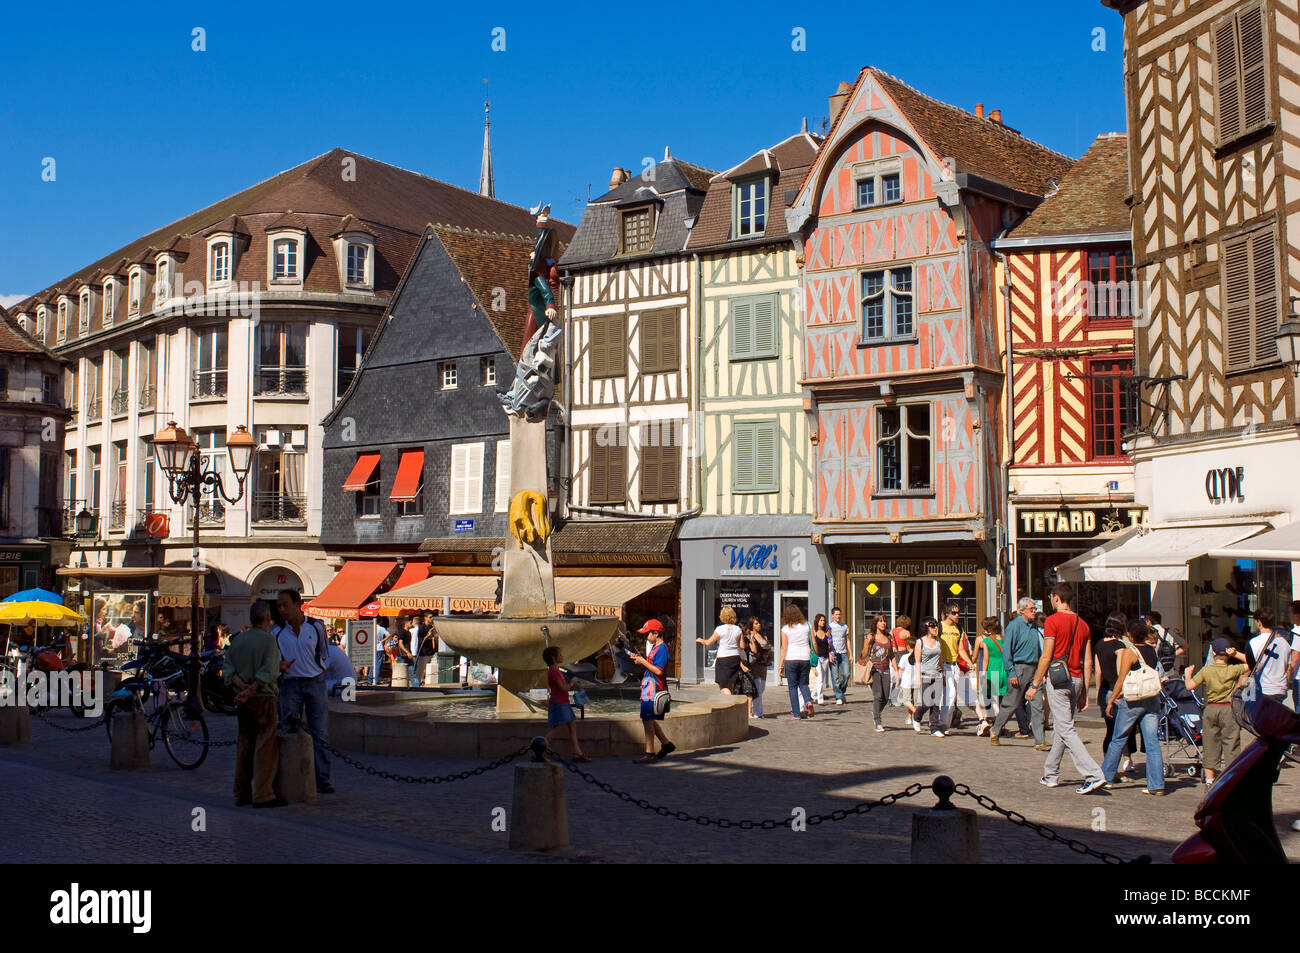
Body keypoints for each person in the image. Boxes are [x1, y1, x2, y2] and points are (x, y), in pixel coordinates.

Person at [1025, 583, 1106, 795]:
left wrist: (1035, 684)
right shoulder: (1083, 623)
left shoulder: (1052, 621)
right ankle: (1050, 774)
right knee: (1063, 726)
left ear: (1057, 598)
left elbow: (1046, 655)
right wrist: (1085, 690)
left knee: (1066, 729)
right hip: (1077, 678)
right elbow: (1087, 661)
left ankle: (1093, 774)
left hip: (1058, 679)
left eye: (1051, 597)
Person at [223, 601, 283, 808]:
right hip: (263, 699)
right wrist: (253, 689)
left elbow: (228, 669)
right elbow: (270, 671)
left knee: (244, 746)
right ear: (267, 618)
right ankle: (263, 794)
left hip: (243, 701)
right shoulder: (269, 641)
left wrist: (243, 688)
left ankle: (241, 792)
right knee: (265, 747)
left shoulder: (238, 640)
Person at [274, 589, 335, 795]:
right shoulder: (277, 632)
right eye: (279, 606)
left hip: (315, 682)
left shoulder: (315, 626)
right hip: (290, 685)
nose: (282, 609)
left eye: (285, 604)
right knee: (288, 730)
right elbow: (274, 659)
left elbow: (325, 652)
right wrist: (279, 667)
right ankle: (291, 776)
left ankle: (322, 779)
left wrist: (322, 668)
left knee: (320, 732)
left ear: (298, 604)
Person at [1100, 620, 1168, 795]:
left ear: (1130, 636)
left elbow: (1121, 678)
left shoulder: (1131, 652)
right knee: (1152, 742)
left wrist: (1111, 700)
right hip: (1151, 698)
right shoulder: (1152, 651)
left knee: (1118, 737)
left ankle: (1106, 777)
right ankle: (1157, 784)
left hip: (1133, 699)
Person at [1185, 638, 1250, 787]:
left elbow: (1189, 686)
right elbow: (1253, 662)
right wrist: (1236, 654)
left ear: (1213, 652)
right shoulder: (1233, 669)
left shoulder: (1206, 670)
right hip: (1228, 708)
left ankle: (1209, 781)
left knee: (1210, 743)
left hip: (1211, 709)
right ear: (1228, 654)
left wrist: (1188, 674)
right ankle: (1231, 779)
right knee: (1231, 743)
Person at [1093, 612, 1136, 776]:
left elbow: (1097, 671)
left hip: (1104, 689)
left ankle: (1107, 764)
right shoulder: (1120, 646)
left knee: (1109, 729)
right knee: (1120, 732)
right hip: (1116, 691)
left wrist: (1098, 691)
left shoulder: (1099, 644)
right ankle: (1116, 766)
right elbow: (1121, 672)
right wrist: (1122, 691)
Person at [629, 619, 674, 763]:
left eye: (647, 634)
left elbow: (659, 671)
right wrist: (640, 660)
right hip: (649, 686)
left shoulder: (661, 649)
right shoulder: (656, 647)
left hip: (654, 687)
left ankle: (649, 752)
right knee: (647, 718)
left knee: (647, 719)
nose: (645, 637)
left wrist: (642, 661)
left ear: (656, 633)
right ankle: (666, 744)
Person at [542, 646, 590, 762]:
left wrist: (573, 684)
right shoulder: (554, 672)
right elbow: (563, 688)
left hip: (563, 702)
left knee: (572, 726)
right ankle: (541, 751)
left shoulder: (556, 671)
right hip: (559, 704)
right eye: (560, 654)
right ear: (554, 658)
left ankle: (577, 753)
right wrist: (572, 682)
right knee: (556, 729)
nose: (562, 656)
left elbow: (562, 687)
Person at [1245, 607, 1297, 703]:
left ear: (1259, 622)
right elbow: (1288, 667)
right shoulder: (1284, 642)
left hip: (1263, 689)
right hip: (1280, 690)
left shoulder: (1253, 642)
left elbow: (1251, 667)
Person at [938, 603, 973, 730]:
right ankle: (941, 723)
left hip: (955, 665)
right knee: (949, 694)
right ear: (947, 613)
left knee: (951, 697)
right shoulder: (939, 627)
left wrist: (969, 662)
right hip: (943, 664)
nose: (957, 615)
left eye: (958, 612)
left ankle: (944, 724)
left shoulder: (958, 628)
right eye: (954, 613)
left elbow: (961, 649)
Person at [697, 606, 743, 695]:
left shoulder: (720, 629)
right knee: (730, 684)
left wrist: (700, 640)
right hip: (735, 658)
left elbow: (708, 642)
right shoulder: (738, 629)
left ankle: (728, 701)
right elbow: (742, 646)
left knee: (723, 686)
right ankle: (731, 705)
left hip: (723, 658)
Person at [973, 616, 1006, 736]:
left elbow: (985, 659)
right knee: (997, 698)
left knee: (986, 700)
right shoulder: (1003, 639)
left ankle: (989, 722)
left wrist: (982, 673)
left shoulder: (987, 641)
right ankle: (995, 723)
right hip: (1003, 670)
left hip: (992, 671)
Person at [779, 605, 813, 720]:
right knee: (803, 683)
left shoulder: (785, 629)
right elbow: (810, 641)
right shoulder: (807, 626)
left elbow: (784, 647)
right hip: (805, 657)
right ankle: (808, 701)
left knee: (792, 687)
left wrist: (781, 665)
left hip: (791, 658)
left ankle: (796, 714)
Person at [912, 618, 945, 736]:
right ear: (926, 627)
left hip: (937, 674)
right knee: (926, 701)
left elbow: (940, 659)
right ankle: (917, 716)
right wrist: (917, 678)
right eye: (932, 626)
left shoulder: (938, 641)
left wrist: (943, 672)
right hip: (925, 674)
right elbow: (917, 661)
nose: (935, 628)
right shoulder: (920, 642)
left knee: (936, 703)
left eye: (936, 625)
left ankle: (934, 727)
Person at [863, 620, 893, 731]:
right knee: (878, 695)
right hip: (874, 669)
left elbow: (891, 655)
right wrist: (867, 641)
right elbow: (864, 654)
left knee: (885, 697)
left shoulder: (888, 638)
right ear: (876, 623)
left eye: (885, 621)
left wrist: (896, 669)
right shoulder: (871, 637)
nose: (883, 623)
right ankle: (877, 720)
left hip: (886, 669)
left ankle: (876, 711)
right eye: (880, 621)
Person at [741, 617, 771, 719]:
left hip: (764, 664)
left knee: (762, 688)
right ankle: (758, 712)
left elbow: (768, 646)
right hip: (754, 665)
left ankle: (753, 706)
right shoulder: (749, 636)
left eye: (759, 623)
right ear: (751, 625)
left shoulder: (763, 635)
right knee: (758, 687)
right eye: (756, 623)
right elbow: (753, 651)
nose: (759, 625)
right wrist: (753, 640)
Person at [827, 606, 852, 705]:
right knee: (835, 677)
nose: (838, 616)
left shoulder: (844, 626)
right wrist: (829, 653)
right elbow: (827, 640)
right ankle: (838, 696)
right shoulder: (829, 627)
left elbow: (847, 640)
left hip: (843, 653)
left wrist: (850, 654)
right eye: (836, 614)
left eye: (839, 614)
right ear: (832, 615)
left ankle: (841, 692)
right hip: (833, 653)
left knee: (846, 674)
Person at [897, 635, 919, 726]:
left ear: (908, 646)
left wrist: (898, 681)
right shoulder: (919, 656)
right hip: (916, 682)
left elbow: (900, 670)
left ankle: (917, 713)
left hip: (906, 683)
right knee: (912, 701)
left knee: (905, 700)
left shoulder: (905, 657)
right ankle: (909, 717)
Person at [810, 613, 832, 705]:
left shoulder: (827, 632)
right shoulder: (813, 631)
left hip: (825, 657)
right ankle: (820, 698)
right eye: (821, 620)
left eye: (824, 620)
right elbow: (811, 645)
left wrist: (830, 641)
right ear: (817, 621)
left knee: (821, 678)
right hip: (817, 657)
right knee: (819, 678)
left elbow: (830, 644)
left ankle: (813, 694)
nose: (822, 622)